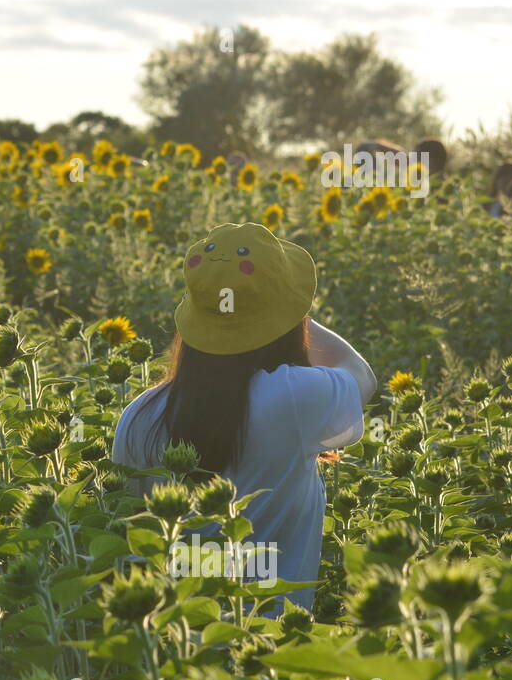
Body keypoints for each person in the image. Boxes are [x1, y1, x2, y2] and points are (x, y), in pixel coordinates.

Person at [111, 222, 376, 615]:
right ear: (286, 320)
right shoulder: (293, 396)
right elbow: (361, 374)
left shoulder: (139, 415)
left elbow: (127, 542)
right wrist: (289, 303)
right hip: (268, 650)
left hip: (173, 652)